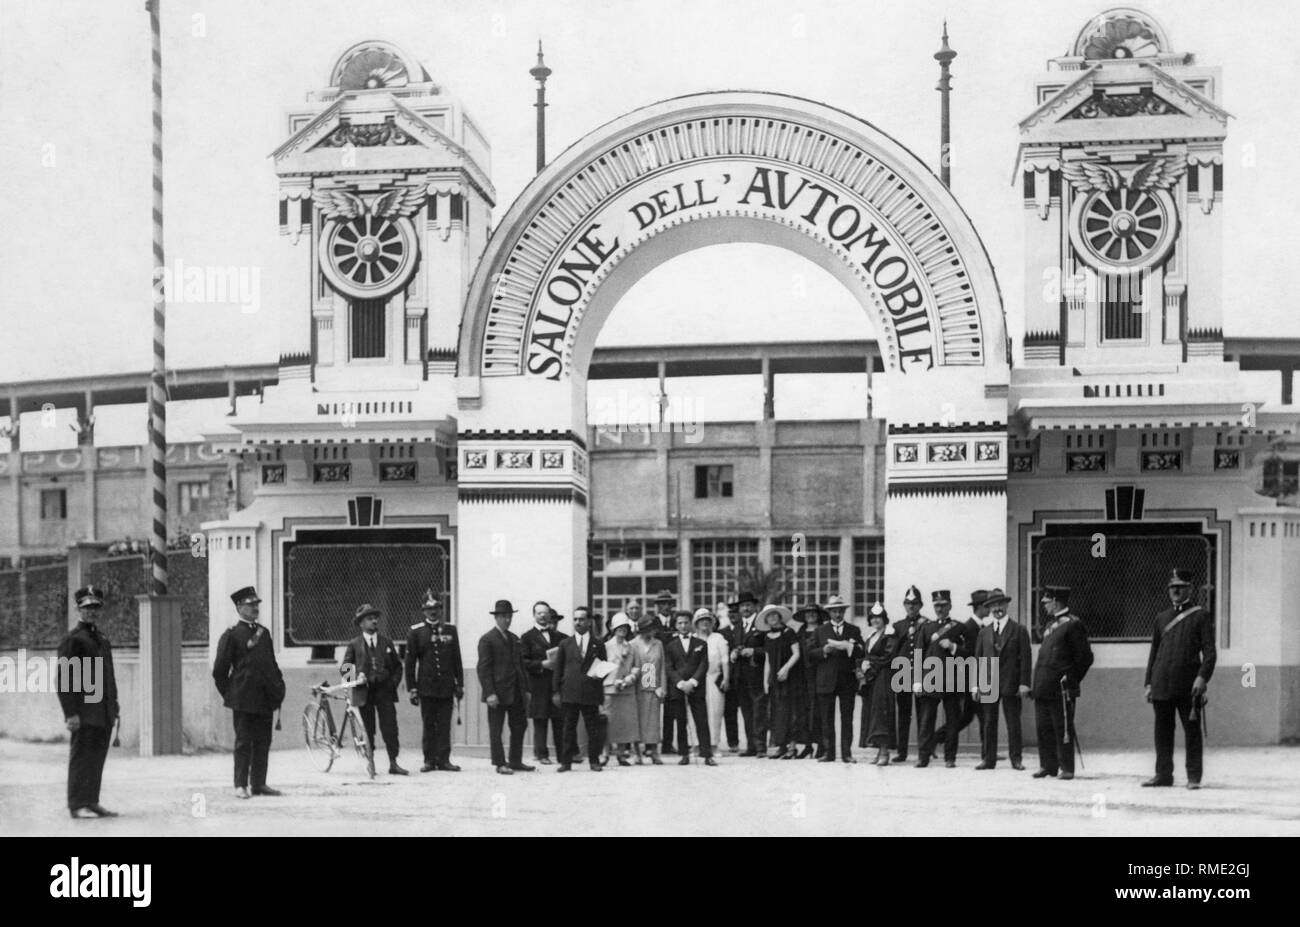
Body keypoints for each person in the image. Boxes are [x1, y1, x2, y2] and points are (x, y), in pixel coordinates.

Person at [1144, 569, 1216, 790]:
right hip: (1162, 684)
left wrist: (1202, 678)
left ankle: (1193, 777)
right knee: (1162, 733)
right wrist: (1148, 683)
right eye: (1172, 587)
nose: (1175, 591)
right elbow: (1154, 653)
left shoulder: (1200, 615)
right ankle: (1163, 775)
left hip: (1188, 686)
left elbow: (1210, 652)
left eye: (1180, 587)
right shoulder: (1161, 618)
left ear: (1189, 590)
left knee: (1192, 732)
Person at [213, 586, 286, 798]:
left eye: (256, 604)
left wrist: (278, 686)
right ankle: (240, 785)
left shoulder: (264, 633)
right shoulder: (232, 635)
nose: (255, 608)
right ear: (239, 608)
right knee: (244, 741)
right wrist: (231, 693)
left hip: (264, 696)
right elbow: (219, 670)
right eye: (250, 604)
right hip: (243, 698)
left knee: (263, 741)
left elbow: (271, 663)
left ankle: (259, 784)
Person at [57, 585, 119, 818]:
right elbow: (64, 679)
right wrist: (70, 713)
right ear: (78, 609)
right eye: (87, 607)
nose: (92, 611)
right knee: (81, 757)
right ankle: (76, 804)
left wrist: (114, 704)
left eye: (95, 607)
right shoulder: (73, 640)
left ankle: (91, 800)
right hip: (84, 710)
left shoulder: (101, 638)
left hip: (102, 710)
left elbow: (108, 675)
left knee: (96, 757)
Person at [1031, 585, 1095, 781]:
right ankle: (1048, 765)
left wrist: (1071, 678)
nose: (1044, 606)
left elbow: (1085, 657)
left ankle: (1066, 767)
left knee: (1062, 728)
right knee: (1044, 728)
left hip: (1061, 688)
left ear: (1056, 602)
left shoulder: (1073, 624)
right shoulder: (1051, 626)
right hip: (1043, 687)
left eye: (1046, 602)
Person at [341, 603, 407, 775]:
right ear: (361, 623)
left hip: (385, 691)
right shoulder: (354, 644)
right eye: (369, 618)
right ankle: (370, 762)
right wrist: (354, 681)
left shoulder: (387, 642)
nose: (374, 621)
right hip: (365, 693)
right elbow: (346, 667)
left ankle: (393, 762)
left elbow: (398, 667)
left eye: (375, 618)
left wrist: (393, 683)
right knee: (368, 729)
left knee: (390, 727)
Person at [404, 591, 463, 772]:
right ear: (423, 611)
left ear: (441, 609)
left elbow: (456, 659)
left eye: (436, 608)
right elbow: (410, 663)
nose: (433, 612)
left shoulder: (450, 630)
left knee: (445, 724)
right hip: (427, 687)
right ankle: (429, 760)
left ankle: (444, 760)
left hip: (446, 686)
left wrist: (460, 684)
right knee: (429, 723)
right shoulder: (416, 632)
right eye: (429, 609)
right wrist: (412, 688)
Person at [973, 589, 1031, 770]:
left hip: (1011, 683)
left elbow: (1026, 659)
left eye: (1000, 604)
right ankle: (988, 759)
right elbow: (979, 659)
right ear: (989, 608)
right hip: (989, 683)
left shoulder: (1019, 630)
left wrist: (1024, 683)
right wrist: (976, 686)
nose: (997, 608)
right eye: (993, 605)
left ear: (1006, 605)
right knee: (989, 722)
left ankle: (1016, 759)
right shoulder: (984, 633)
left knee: (1013, 722)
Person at [477, 599, 533, 775]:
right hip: (498, 693)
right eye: (503, 616)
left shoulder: (515, 638)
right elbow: (483, 669)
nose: (507, 620)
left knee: (519, 726)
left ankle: (515, 761)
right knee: (496, 728)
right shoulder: (487, 639)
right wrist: (490, 693)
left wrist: (526, 689)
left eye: (509, 616)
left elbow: (521, 666)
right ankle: (500, 763)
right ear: (496, 618)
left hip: (516, 691)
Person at [915, 590, 967, 768]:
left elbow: (970, 654)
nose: (940, 609)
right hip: (930, 678)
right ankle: (923, 757)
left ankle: (950, 757)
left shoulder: (959, 627)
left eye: (943, 605)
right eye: (937, 605)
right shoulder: (926, 627)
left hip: (952, 679)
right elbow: (919, 654)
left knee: (953, 720)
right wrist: (916, 680)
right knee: (926, 720)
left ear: (950, 606)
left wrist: (954, 647)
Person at [934, 589, 992, 748]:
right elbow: (968, 654)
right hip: (969, 679)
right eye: (988, 606)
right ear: (980, 607)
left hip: (977, 678)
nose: (990, 610)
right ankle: (987, 751)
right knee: (979, 715)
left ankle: (933, 740)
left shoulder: (982, 626)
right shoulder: (968, 627)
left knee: (968, 717)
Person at [809, 595, 862, 763]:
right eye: (834, 611)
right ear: (829, 612)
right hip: (826, 680)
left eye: (840, 611)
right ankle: (828, 752)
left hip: (847, 680)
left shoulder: (854, 630)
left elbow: (862, 651)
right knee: (826, 718)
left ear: (845, 611)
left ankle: (847, 753)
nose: (838, 614)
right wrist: (823, 650)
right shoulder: (820, 631)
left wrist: (850, 647)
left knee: (847, 718)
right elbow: (809, 653)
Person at [554, 605, 606, 772]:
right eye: (575, 619)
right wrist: (556, 691)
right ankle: (566, 762)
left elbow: (603, 667)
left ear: (589, 622)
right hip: (569, 692)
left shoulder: (598, 644)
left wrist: (599, 677)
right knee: (568, 728)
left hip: (590, 692)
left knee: (593, 729)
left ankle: (594, 760)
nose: (578, 622)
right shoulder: (565, 644)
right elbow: (558, 669)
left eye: (581, 619)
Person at [665, 609, 716, 765]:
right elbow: (669, 667)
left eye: (686, 622)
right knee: (681, 720)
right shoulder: (671, 645)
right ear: (675, 625)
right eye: (680, 623)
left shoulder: (701, 644)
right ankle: (684, 754)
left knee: (701, 719)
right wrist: (680, 683)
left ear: (691, 624)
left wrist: (693, 682)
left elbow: (703, 664)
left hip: (696, 686)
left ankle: (707, 754)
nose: (683, 626)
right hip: (678, 687)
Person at [520, 601, 566, 765]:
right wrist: (541, 665)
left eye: (545, 613)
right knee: (540, 720)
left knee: (560, 720)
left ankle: (563, 755)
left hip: (556, 685)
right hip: (538, 684)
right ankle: (542, 754)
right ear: (534, 615)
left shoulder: (561, 637)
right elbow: (523, 662)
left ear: (550, 615)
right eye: (539, 613)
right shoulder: (527, 637)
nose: (543, 616)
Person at [891, 585, 928, 763]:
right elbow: (893, 652)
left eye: (915, 604)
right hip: (903, 674)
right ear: (904, 605)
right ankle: (902, 752)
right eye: (908, 603)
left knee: (923, 715)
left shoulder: (927, 624)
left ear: (920, 605)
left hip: (922, 673)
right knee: (904, 715)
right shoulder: (898, 626)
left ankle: (924, 752)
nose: (911, 607)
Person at [760, 605, 803, 759]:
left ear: (779, 617)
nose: (771, 618)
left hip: (790, 678)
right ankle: (781, 746)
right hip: (775, 681)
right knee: (778, 713)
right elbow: (767, 660)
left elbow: (796, 654)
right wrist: (766, 680)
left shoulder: (789, 633)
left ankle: (792, 747)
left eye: (774, 615)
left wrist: (786, 669)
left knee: (791, 711)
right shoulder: (767, 637)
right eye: (768, 616)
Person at [859, 602, 898, 766]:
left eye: (879, 618)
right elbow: (865, 654)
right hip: (872, 679)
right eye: (873, 618)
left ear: (884, 619)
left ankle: (884, 751)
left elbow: (888, 656)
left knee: (882, 712)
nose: (876, 621)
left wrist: (870, 663)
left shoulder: (889, 635)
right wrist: (863, 664)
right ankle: (877, 749)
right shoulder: (871, 636)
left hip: (884, 676)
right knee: (873, 712)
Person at [729, 592, 767, 756]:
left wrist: (754, 651)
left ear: (755, 607)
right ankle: (751, 746)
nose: (745, 608)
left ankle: (760, 747)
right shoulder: (737, 627)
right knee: (746, 711)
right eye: (743, 606)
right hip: (740, 676)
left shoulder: (761, 626)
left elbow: (769, 648)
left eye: (748, 605)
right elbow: (733, 646)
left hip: (757, 674)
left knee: (759, 711)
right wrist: (733, 653)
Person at [603, 612, 640, 765]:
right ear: (613, 628)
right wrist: (613, 680)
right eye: (619, 627)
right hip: (610, 689)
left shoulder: (631, 647)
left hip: (626, 689)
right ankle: (604, 754)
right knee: (607, 722)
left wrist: (629, 679)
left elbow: (637, 666)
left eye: (624, 627)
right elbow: (599, 667)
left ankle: (621, 754)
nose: (622, 630)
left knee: (624, 723)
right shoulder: (605, 646)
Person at [630, 615, 666, 764]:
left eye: (651, 630)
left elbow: (662, 666)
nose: (648, 633)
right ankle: (637, 753)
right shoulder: (632, 644)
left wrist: (662, 687)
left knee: (653, 721)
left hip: (653, 687)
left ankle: (654, 752)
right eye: (645, 630)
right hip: (637, 688)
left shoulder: (658, 644)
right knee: (636, 721)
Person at [696, 610, 731, 751]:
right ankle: (698, 745)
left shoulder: (718, 638)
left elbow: (725, 660)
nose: (705, 623)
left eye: (707, 620)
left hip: (714, 679)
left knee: (715, 712)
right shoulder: (693, 639)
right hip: (697, 680)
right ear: (696, 623)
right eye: (701, 620)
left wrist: (726, 678)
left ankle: (713, 745)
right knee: (696, 713)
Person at [794, 604, 826, 758]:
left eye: (813, 613)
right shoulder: (800, 631)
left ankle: (821, 744)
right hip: (802, 674)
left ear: (818, 615)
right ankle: (807, 745)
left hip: (818, 672)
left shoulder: (823, 630)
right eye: (808, 613)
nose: (811, 615)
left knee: (819, 709)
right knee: (804, 709)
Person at [651, 590, 679, 754]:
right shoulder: (652, 623)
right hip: (653, 669)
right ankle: (650, 744)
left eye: (668, 604)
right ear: (657, 606)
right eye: (662, 604)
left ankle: (667, 744)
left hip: (672, 670)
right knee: (650, 705)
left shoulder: (677, 622)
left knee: (671, 708)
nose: (666, 607)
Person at [715, 601, 741, 752]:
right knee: (729, 712)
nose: (733, 616)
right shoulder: (722, 632)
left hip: (742, 676)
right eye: (730, 613)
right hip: (727, 677)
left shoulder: (743, 629)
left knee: (745, 710)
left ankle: (753, 742)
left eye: (735, 613)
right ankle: (733, 742)